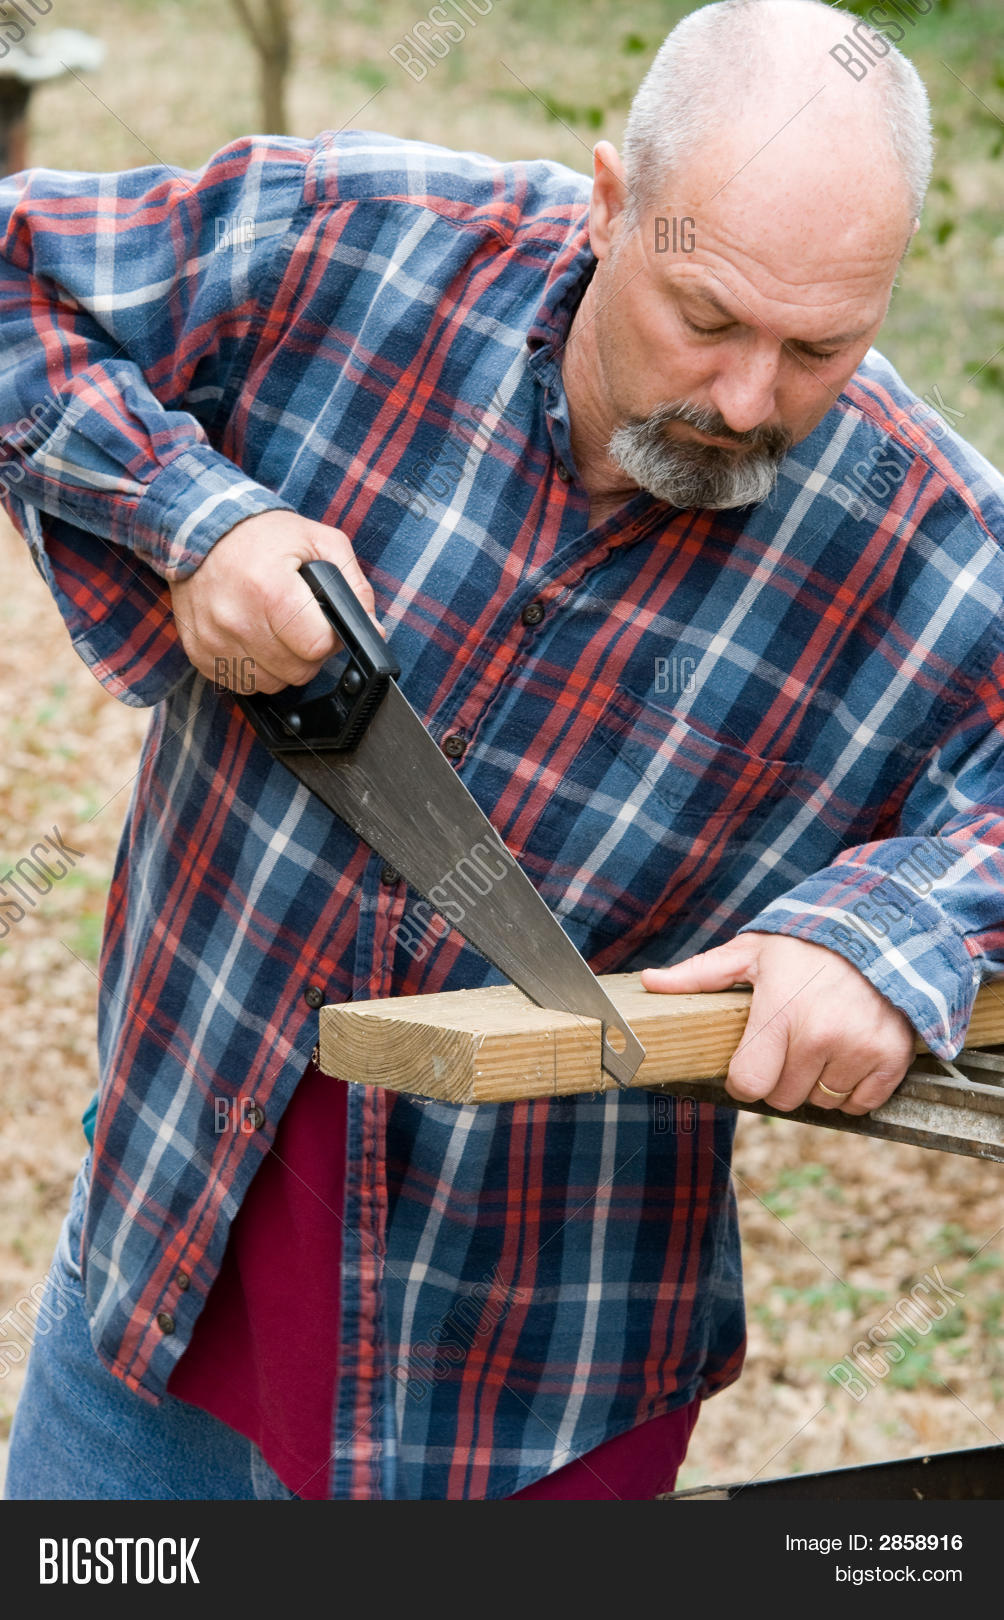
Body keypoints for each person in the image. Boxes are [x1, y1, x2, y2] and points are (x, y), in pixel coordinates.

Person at [2, 0, 1002, 1500]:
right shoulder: (353, 240)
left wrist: (888, 933)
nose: (747, 402)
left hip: (529, 1395)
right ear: (608, 202)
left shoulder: (925, 531)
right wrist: (191, 517)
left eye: (820, 349)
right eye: (708, 318)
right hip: (159, 1282)